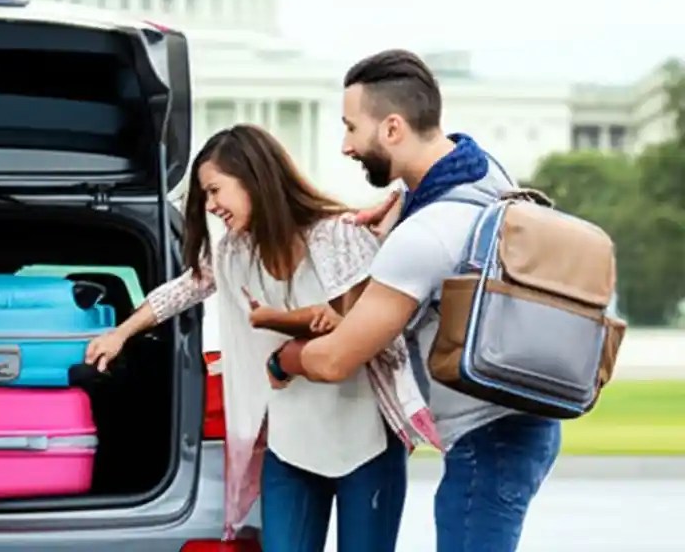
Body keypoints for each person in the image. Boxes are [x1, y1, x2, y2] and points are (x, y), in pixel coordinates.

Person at [85, 124, 437, 551]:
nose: (211, 206)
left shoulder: (338, 234)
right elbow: (186, 287)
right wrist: (121, 332)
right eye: (206, 196)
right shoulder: (235, 252)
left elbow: (367, 326)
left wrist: (285, 350)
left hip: (366, 442)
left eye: (216, 191)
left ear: (253, 177)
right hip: (291, 445)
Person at [273, 49, 561, 552]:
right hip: (525, 424)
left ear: (391, 129)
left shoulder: (424, 236)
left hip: (487, 440)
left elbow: (338, 358)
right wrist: (402, 207)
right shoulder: (483, 171)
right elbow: (441, 212)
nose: (344, 146)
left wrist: (283, 358)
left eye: (350, 128)